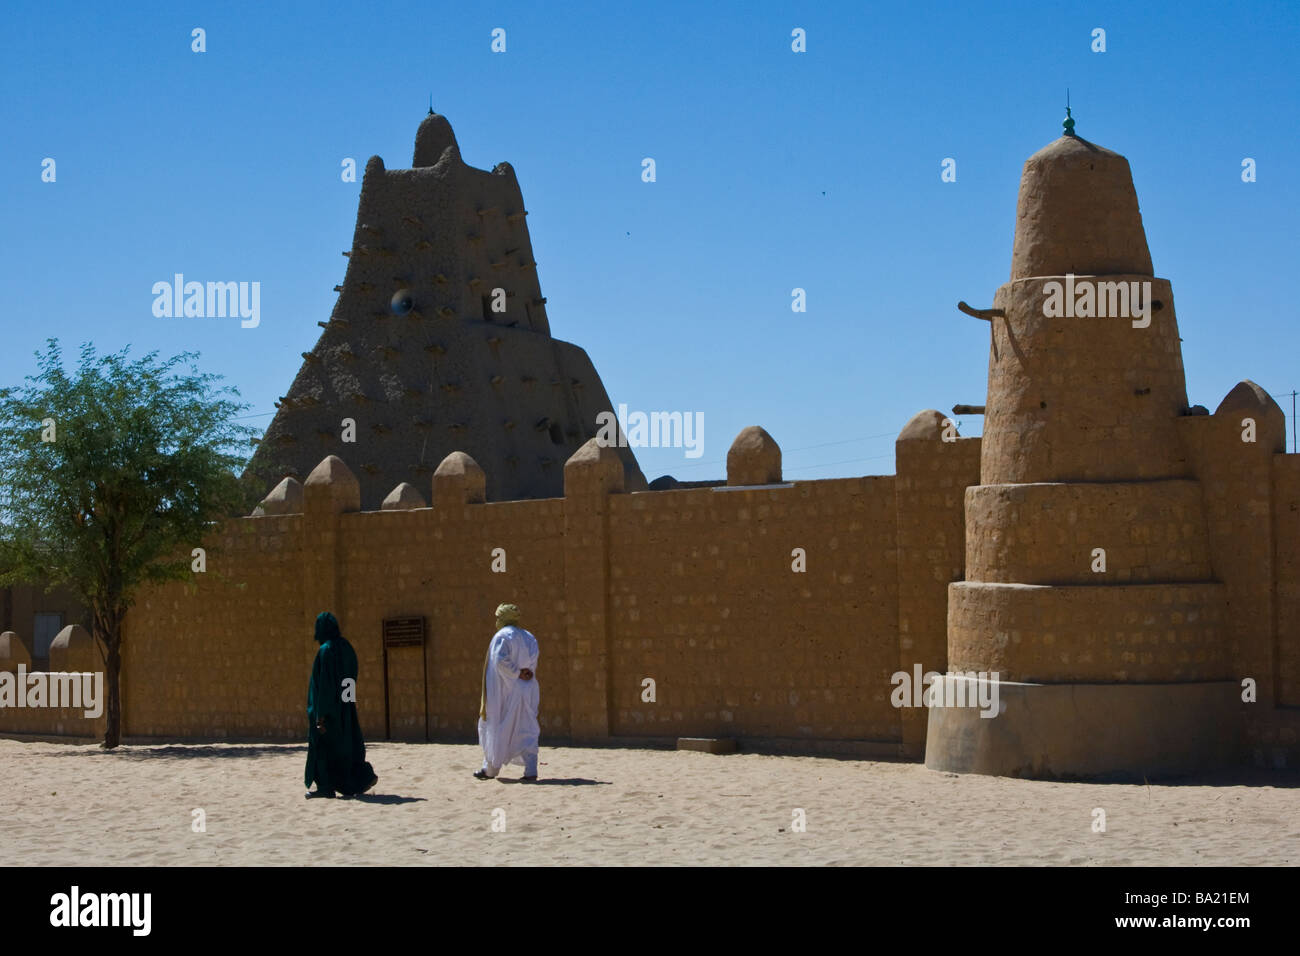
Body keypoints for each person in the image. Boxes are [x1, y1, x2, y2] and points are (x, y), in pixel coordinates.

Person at [305, 611, 378, 798]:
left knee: (322, 746)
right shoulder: (346, 647)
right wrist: (348, 705)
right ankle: (350, 781)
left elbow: (325, 687)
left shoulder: (326, 651)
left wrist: (321, 714)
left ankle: (326, 787)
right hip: (345, 708)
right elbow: (351, 677)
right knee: (346, 745)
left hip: (328, 711)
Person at [475, 603, 540, 782]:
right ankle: (531, 770)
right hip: (526, 690)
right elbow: (532, 661)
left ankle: (490, 769)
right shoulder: (529, 637)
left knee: (497, 725)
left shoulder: (502, 636)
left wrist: (516, 673)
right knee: (526, 727)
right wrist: (524, 672)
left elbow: (500, 661)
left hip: (504, 692)